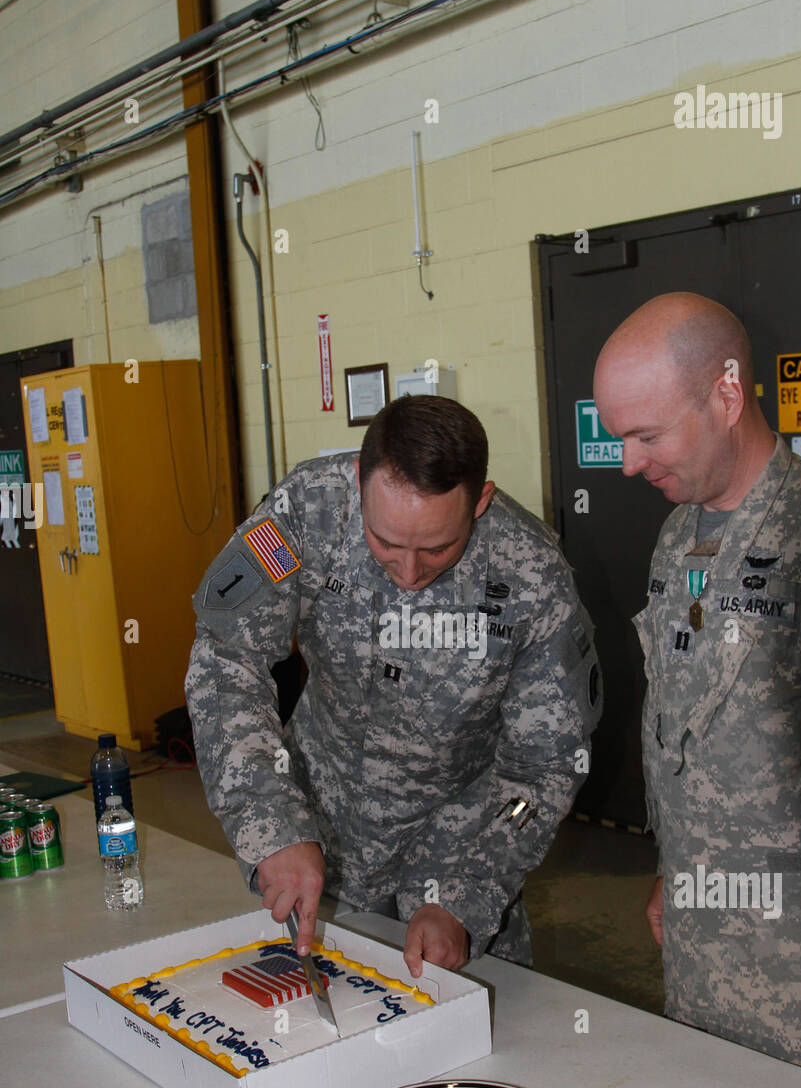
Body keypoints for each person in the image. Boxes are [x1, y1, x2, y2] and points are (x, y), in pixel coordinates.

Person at [185, 394, 601, 977]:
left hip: (458, 868)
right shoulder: (306, 513)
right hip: (311, 847)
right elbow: (229, 657)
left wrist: (465, 893)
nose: (409, 574)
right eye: (385, 543)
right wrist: (271, 822)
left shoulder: (532, 575)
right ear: (358, 482)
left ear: (480, 501)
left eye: (438, 548)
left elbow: (544, 770)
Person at [593, 292, 801, 1079]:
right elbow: (683, 720)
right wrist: (671, 870)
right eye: (621, 438)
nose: (630, 462)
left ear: (726, 394)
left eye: (647, 435)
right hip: (702, 939)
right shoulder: (679, 531)